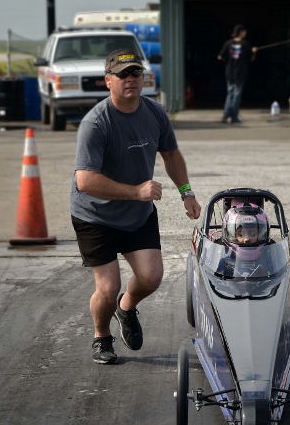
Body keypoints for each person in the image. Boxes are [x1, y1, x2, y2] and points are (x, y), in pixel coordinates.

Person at [70, 48, 202, 365]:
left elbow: (171, 154)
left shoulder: (154, 113)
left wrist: (186, 191)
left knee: (151, 277)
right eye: (122, 75)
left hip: (137, 214)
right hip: (95, 216)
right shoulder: (95, 123)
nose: (129, 79)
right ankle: (101, 336)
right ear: (108, 81)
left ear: (143, 78)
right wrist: (136, 191)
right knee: (107, 285)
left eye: (135, 73)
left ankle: (126, 307)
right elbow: (85, 180)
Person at [217, 25, 258, 124]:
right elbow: (251, 58)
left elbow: (220, 57)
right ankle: (234, 117)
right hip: (240, 73)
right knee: (236, 95)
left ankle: (225, 115)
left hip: (229, 73)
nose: (246, 33)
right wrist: (254, 52)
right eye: (245, 31)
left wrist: (230, 59)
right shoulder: (245, 44)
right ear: (241, 32)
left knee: (230, 94)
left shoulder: (228, 43)